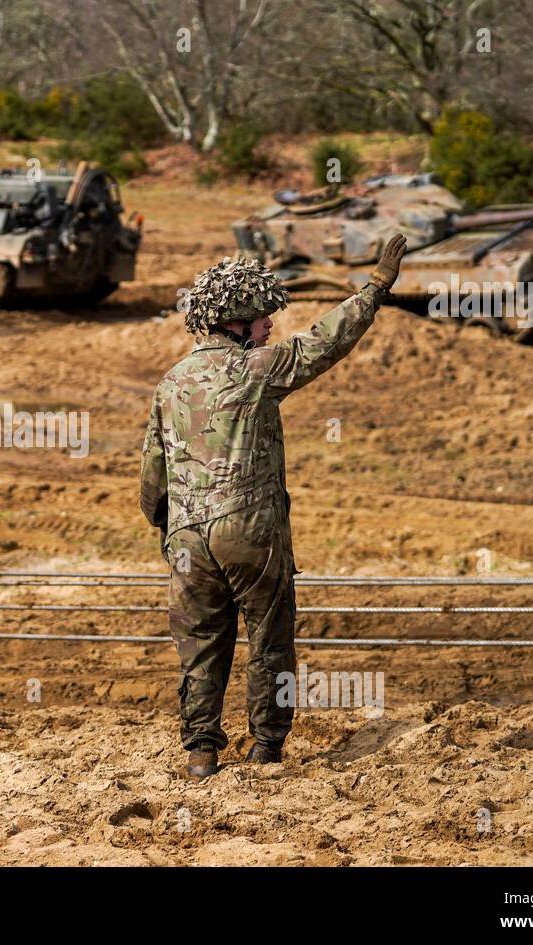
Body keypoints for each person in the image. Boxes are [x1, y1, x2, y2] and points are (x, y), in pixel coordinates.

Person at [140, 236, 408, 779]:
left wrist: (171, 528)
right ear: (237, 321)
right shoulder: (259, 369)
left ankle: (200, 753)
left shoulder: (171, 383)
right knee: (268, 639)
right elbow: (324, 343)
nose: (270, 327)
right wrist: (375, 290)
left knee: (198, 645)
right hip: (251, 534)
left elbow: (153, 480)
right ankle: (266, 747)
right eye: (263, 318)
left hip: (188, 541)